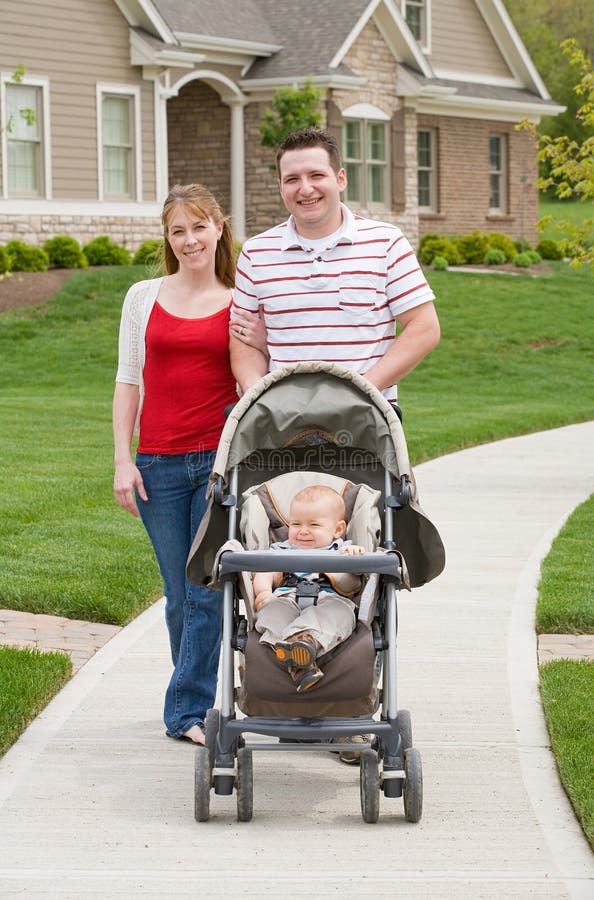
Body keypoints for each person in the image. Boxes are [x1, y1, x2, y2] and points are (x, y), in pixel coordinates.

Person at [112, 183, 264, 745]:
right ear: (168, 238)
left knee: (205, 588)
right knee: (178, 596)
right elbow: (129, 381)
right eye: (178, 230)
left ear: (219, 228)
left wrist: (262, 341)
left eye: (199, 227)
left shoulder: (241, 300)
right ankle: (192, 698)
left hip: (218, 465)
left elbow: (253, 381)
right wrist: (123, 460)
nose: (189, 239)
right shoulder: (142, 297)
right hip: (157, 464)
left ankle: (188, 711)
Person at [229, 126, 440, 401]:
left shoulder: (386, 242)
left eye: (316, 175)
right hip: (282, 417)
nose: (306, 188)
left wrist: (360, 392)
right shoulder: (256, 253)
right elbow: (243, 341)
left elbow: (424, 328)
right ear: (281, 187)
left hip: (364, 414)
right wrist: (256, 394)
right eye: (292, 179)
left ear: (340, 179)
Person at [253, 485, 365, 693]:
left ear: (337, 530)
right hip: (287, 597)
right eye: (296, 524)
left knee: (338, 614)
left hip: (329, 598)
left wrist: (355, 555)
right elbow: (265, 570)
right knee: (271, 612)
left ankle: (300, 644)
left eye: (314, 525)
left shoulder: (342, 549)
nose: (303, 531)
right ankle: (300, 657)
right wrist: (263, 592)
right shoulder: (281, 550)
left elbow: (359, 573)